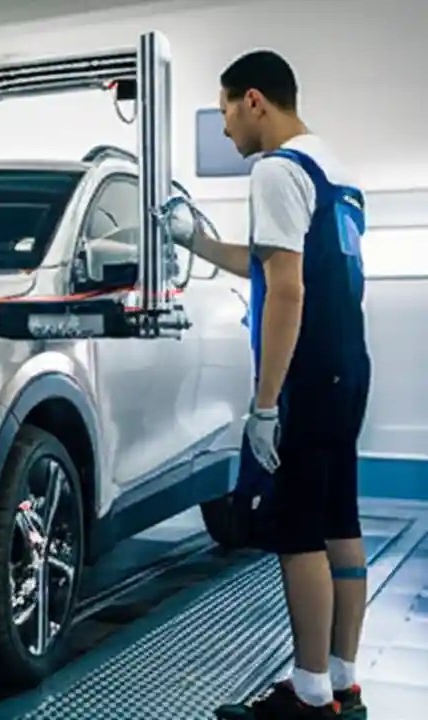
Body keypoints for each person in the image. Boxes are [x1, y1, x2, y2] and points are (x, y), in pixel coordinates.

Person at [170, 50, 371, 720]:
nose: (226, 128)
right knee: (340, 520)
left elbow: (285, 292)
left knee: (297, 532)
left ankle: (309, 696)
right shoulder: (333, 169)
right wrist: (196, 242)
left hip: (307, 371)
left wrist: (264, 404)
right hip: (348, 364)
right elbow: (266, 259)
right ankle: (342, 679)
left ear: (253, 100)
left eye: (225, 109)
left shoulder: (277, 171)